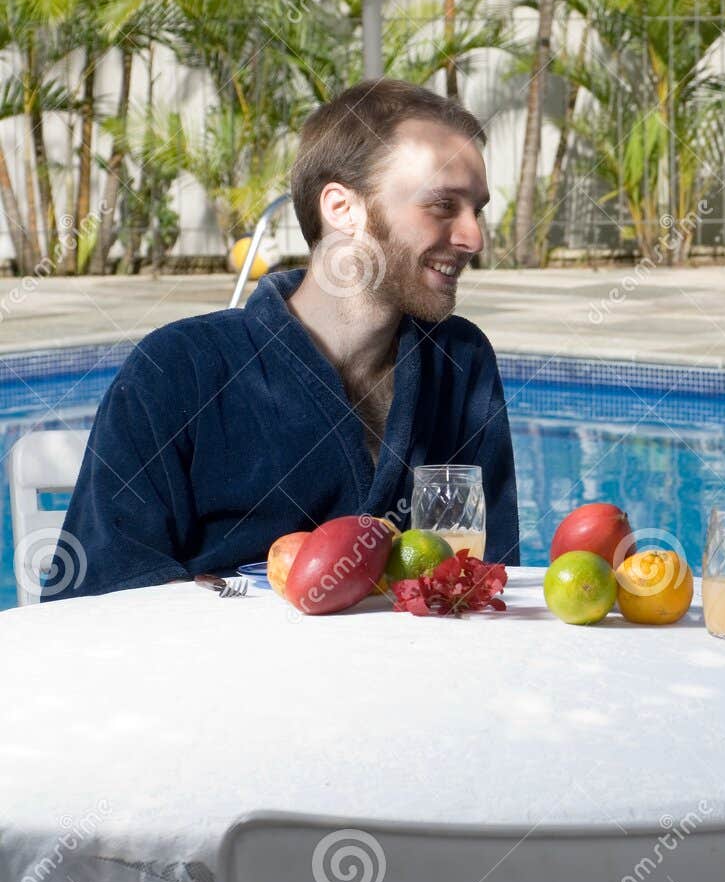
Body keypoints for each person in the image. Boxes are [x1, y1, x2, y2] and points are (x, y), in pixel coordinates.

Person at [51, 79, 520, 599]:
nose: (473, 237)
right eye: (442, 204)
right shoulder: (178, 369)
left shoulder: (459, 361)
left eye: (476, 209)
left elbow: (491, 578)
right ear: (342, 208)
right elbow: (99, 595)